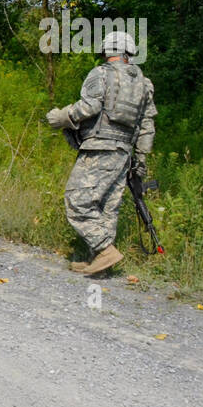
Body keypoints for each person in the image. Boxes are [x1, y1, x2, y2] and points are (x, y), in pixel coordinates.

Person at [46, 30, 156, 275]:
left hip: (99, 147)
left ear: (107, 51)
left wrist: (62, 117)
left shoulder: (100, 74)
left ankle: (105, 250)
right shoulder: (144, 83)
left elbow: (90, 106)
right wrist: (141, 159)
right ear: (129, 53)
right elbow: (147, 125)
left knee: (77, 200)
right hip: (124, 153)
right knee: (107, 206)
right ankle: (100, 264)